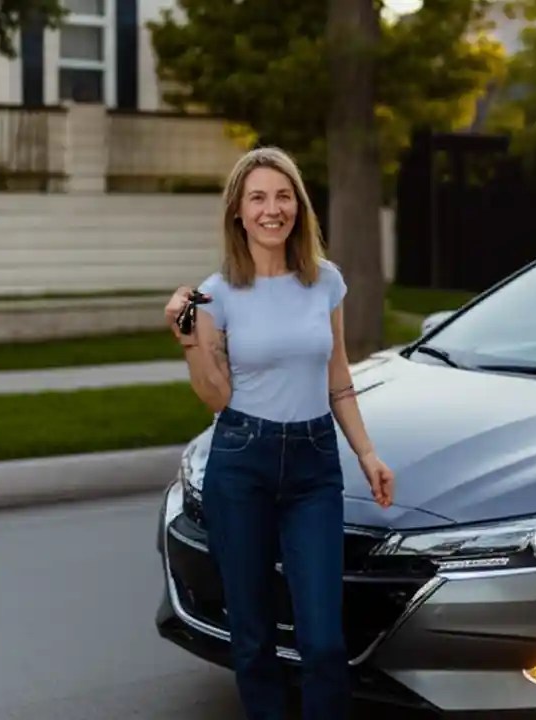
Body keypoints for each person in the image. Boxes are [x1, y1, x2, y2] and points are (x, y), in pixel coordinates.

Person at [163, 146, 395, 720]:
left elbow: (337, 377)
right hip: (242, 462)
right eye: (258, 198)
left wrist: (367, 454)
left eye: (283, 195)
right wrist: (189, 336)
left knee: (323, 640)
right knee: (253, 634)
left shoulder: (326, 283)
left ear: (299, 205)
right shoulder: (215, 295)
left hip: (315, 463)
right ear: (238, 213)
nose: (273, 209)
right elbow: (215, 396)